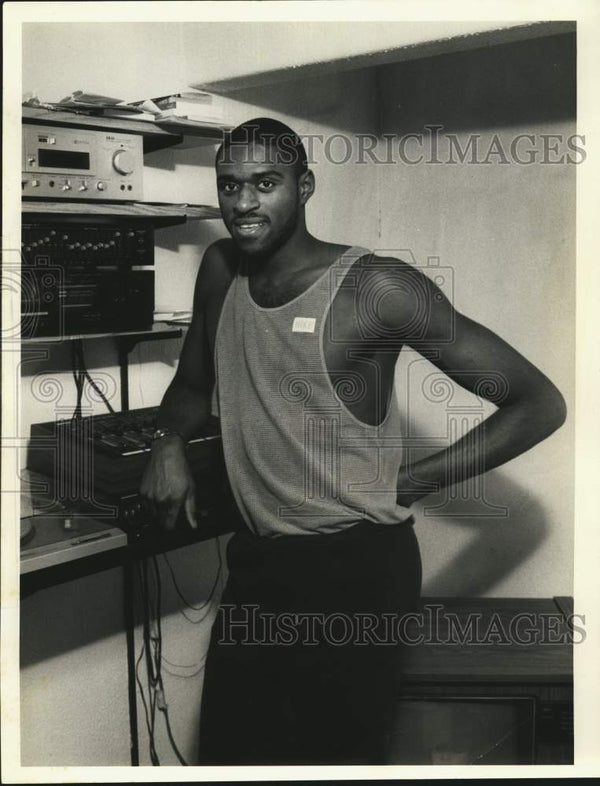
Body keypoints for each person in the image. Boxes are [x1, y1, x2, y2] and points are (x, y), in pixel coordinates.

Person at [140, 117, 567, 765]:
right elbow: (194, 383)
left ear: (304, 185)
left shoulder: (376, 287)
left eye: (266, 183)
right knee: (230, 756)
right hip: (260, 562)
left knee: (337, 761)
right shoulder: (221, 267)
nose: (245, 203)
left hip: (356, 573)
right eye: (230, 186)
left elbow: (537, 403)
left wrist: (416, 480)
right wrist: (168, 440)